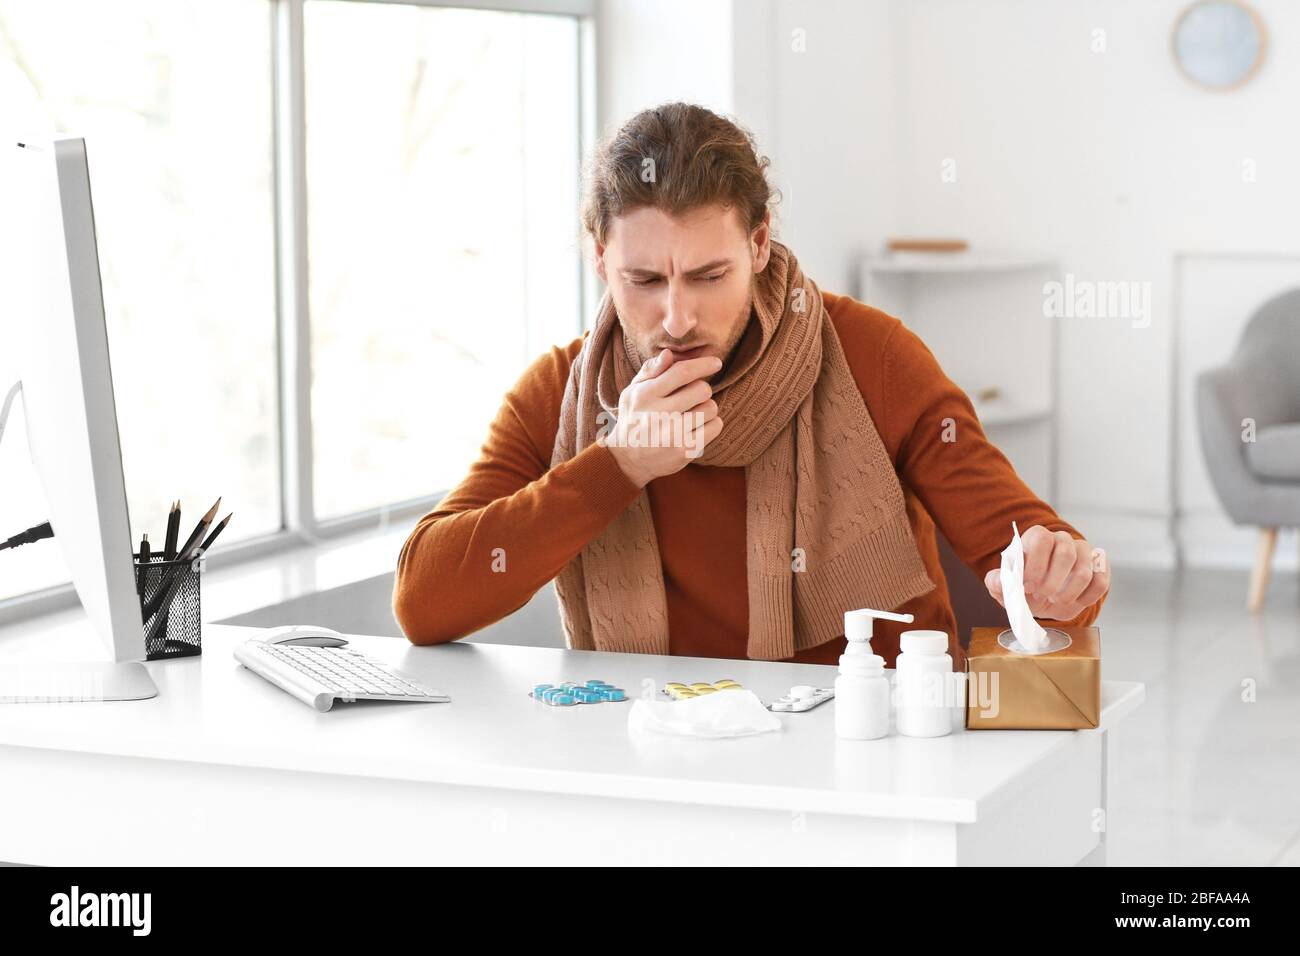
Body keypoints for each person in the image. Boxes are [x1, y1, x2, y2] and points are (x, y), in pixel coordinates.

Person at [392, 102, 1109, 669]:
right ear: (600, 255)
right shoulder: (561, 393)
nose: (677, 318)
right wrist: (617, 466)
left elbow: (1027, 551)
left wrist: (1057, 572)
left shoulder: (872, 355)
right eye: (644, 280)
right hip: (657, 757)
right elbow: (424, 604)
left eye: (709, 276)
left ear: (760, 244)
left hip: (871, 749)